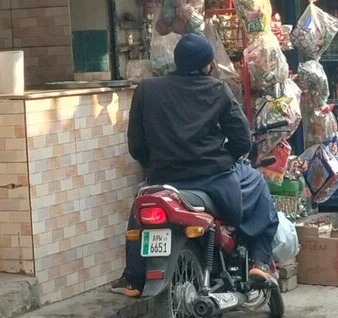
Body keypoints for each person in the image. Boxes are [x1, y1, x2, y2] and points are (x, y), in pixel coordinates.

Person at [111, 33, 279, 297]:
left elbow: (137, 146)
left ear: (176, 60)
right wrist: (228, 158)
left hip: (164, 179)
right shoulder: (217, 89)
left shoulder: (146, 89)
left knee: (139, 207)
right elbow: (241, 140)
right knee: (258, 184)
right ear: (208, 64)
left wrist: (156, 165)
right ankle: (259, 262)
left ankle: (132, 278)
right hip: (213, 181)